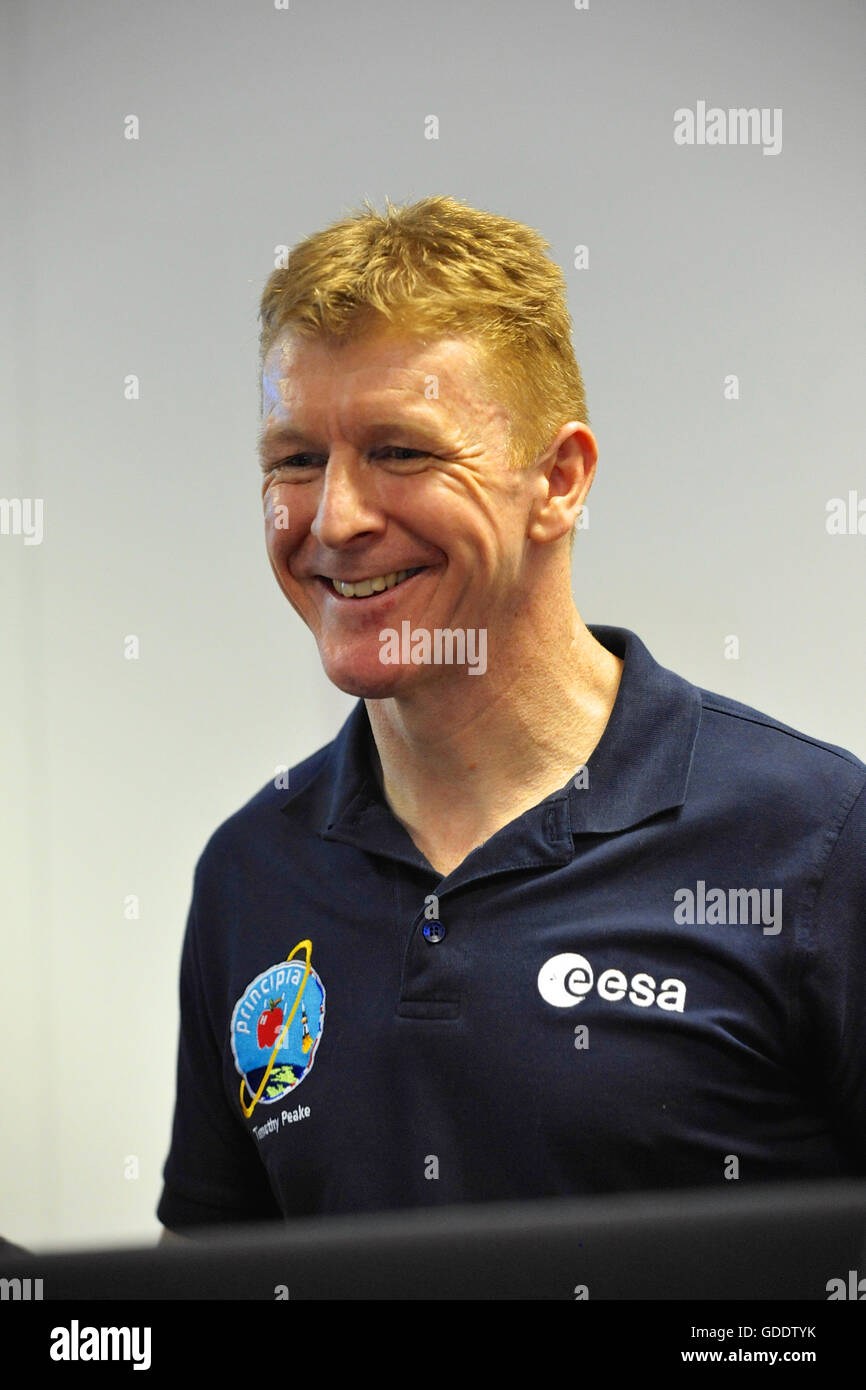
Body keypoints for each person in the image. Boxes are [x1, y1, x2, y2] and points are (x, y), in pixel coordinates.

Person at [157, 195, 865, 1239]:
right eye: (295, 460)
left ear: (558, 479)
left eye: (401, 452)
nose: (335, 518)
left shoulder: (813, 839)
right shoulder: (251, 870)